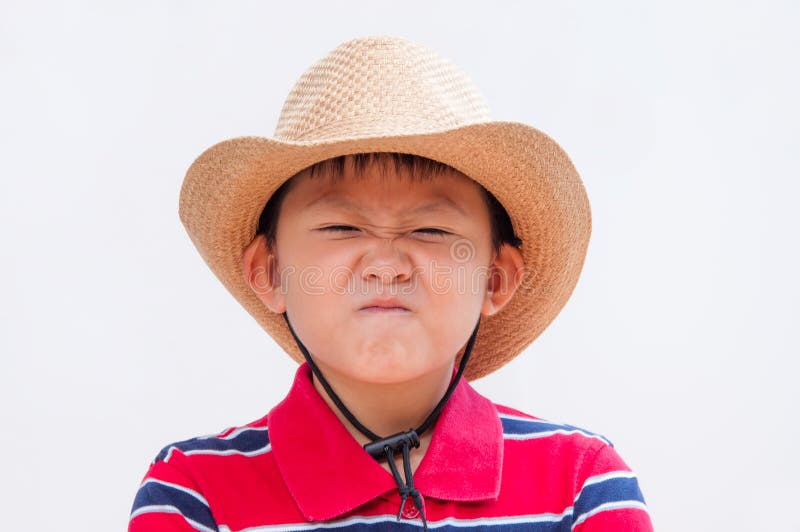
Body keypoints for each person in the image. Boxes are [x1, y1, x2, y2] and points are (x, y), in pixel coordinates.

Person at [128, 35, 654, 531]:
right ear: (269, 272)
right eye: (341, 226)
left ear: (496, 278)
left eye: (430, 229)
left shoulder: (580, 485)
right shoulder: (195, 493)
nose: (386, 265)